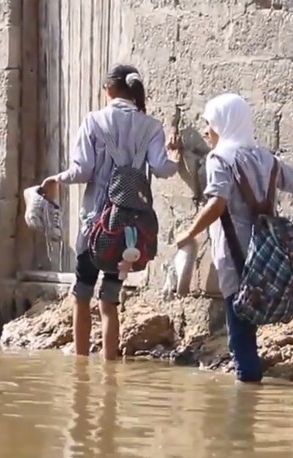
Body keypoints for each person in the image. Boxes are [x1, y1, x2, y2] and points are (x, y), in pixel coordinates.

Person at [174, 93, 293, 382]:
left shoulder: (219, 159)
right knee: (247, 325)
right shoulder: (267, 159)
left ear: (223, 124)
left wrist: (189, 232)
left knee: (239, 333)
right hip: (267, 253)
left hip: (236, 254)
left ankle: (246, 405)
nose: (205, 131)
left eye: (208, 123)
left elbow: (217, 203)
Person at [41, 64, 181, 361]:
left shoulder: (94, 121)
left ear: (108, 88)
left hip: (96, 224)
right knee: (109, 301)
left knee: (81, 295)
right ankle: (109, 369)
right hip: (129, 231)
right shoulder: (152, 126)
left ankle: (81, 369)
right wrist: (177, 158)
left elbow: (83, 170)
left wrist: (56, 179)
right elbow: (161, 168)